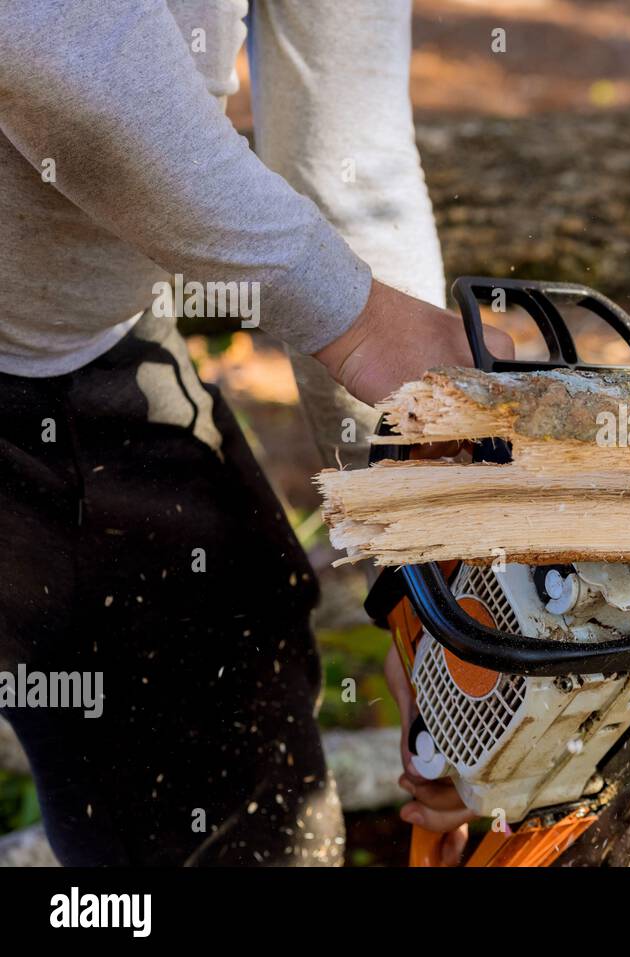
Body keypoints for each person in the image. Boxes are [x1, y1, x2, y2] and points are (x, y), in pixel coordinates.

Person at [0, 0, 504, 865]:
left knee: (237, 793)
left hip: (79, 351)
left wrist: (429, 578)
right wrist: (359, 321)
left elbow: (348, 166)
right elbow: (50, 42)